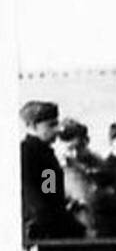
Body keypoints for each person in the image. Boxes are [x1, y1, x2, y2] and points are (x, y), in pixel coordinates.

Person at [19, 100, 84, 241]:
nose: (57, 129)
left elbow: (49, 190)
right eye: (51, 125)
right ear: (34, 126)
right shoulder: (27, 154)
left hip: (51, 223)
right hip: (41, 230)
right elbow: (33, 196)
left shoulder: (45, 153)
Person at [55, 118, 116, 236]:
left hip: (102, 229)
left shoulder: (102, 166)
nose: (75, 154)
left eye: (79, 148)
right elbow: (46, 198)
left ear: (86, 142)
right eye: (70, 149)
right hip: (71, 232)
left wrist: (103, 194)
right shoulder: (51, 169)